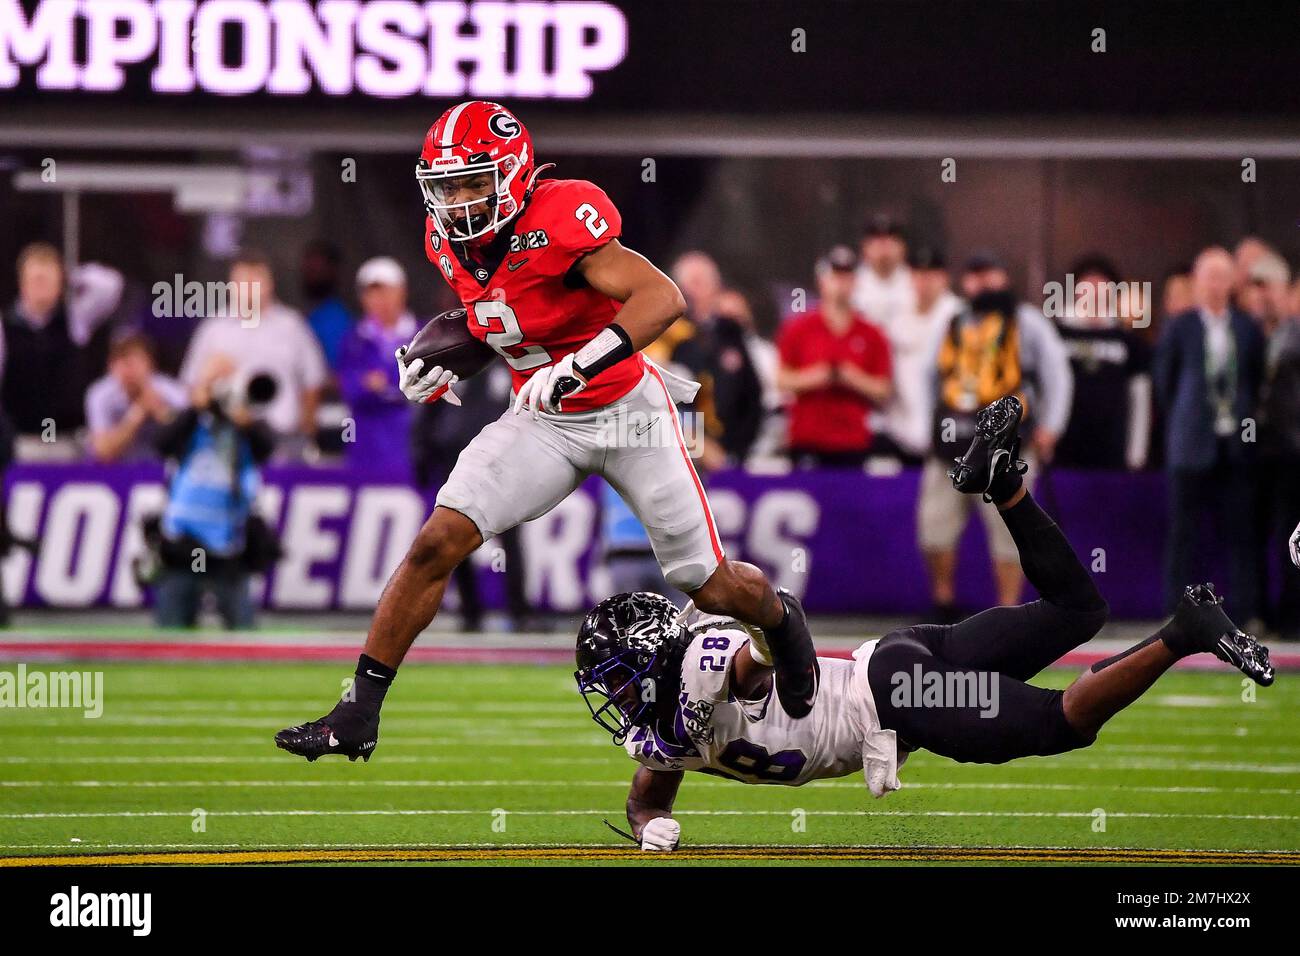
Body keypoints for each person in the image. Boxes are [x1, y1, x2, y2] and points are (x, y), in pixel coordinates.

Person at [275, 101, 820, 763]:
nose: (458, 201)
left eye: (473, 182)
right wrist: (435, 357)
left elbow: (661, 298)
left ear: (512, 172)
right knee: (437, 540)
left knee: (708, 583)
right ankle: (358, 711)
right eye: (446, 186)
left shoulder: (562, 215)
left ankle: (779, 623)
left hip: (628, 411)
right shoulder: (445, 241)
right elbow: (497, 322)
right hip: (546, 421)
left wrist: (580, 363)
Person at [575, 397, 1275, 852]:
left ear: (659, 661)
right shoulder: (663, 727)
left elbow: (774, 632)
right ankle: (1003, 483)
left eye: (621, 682)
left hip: (899, 698)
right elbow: (648, 789)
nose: (620, 700)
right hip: (898, 662)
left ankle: (1185, 629)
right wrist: (649, 829)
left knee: (1060, 725)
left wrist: (785, 673)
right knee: (1078, 612)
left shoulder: (707, 663)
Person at [916, 252, 1072, 617]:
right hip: (952, 443)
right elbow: (930, 375)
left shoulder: (1027, 321)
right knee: (934, 528)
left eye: (989, 275)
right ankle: (944, 604)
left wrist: (1052, 426)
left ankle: (1008, 610)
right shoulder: (952, 321)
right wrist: (929, 426)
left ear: (1004, 277)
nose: (982, 284)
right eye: (974, 276)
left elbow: (1056, 374)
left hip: (1008, 443)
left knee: (1009, 530)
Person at [1154, 246, 1266, 624]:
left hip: (1237, 445)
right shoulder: (1180, 326)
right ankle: (1177, 612)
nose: (1215, 284)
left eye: (1222, 276)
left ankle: (1246, 613)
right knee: (1183, 533)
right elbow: (1164, 384)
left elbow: (1255, 377)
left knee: (1241, 532)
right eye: (1208, 276)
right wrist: (1187, 422)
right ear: (1196, 282)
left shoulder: (1247, 327)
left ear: (1233, 281)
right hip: (1191, 445)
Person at [149, 355, 278, 629]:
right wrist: (196, 407)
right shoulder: (191, 422)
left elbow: (266, 448)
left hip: (228, 542)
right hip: (182, 540)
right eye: (215, 381)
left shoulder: (245, 424)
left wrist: (243, 420)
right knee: (169, 633)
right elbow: (162, 444)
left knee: (244, 634)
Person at [180, 249, 328, 459]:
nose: (249, 288)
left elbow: (313, 381)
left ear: (270, 284)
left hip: (283, 438)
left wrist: (306, 432)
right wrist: (209, 378)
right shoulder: (213, 330)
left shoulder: (292, 326)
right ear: (231, 286)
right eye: (242, 281)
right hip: (226, 439)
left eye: (255, 279)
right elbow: (191, 386)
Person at [776, 245, 893, 468]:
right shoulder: (798, 328)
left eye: (847, 277)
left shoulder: (872, 333)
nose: (841, 284)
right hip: (808, 439)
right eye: (835, 276)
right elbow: (781, 379)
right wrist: (819, 376)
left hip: (852, 441)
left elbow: (883, 390)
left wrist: (850, 377)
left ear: (856, 282)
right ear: (822, 280)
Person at [2, 243, 122, 438]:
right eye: (36, 279)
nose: (42, 286)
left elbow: (110, 285)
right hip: (20, 440)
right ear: (22, 283)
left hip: (67, 438)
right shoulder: (5, 327)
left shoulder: (75, 319)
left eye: (48, 279)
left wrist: (71, 275)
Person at [1052, 255, 1152, 471]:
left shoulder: (1128, 341)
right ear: (1075, 290)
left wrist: (1137, 450)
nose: (1094, 292)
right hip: (1063, 449)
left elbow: (1140, 397)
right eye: (1088, 285)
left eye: (1101, 285)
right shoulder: (1055, 334)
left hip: (1111, 450)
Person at [873, 246, 962, 465]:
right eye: (918, 274)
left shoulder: (959, 317)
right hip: (900, 432)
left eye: (931, 275)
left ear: (944, 278)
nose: (924, 282)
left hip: (949, 432)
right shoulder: (896, 317)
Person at [336, 257, 418, 476]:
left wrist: (385, 383)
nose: (381, 299)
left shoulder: (424, 334)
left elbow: (425, 391)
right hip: (365, 447)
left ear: (403, 291)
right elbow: (350, 389)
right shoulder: (353, 339)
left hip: (414, 445)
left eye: (387, 291)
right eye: (373, 292)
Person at [84, 331, 188, 463]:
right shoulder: (100, 394)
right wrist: (138, 413)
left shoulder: (166, 389)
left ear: (150, 364)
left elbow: (188, 431)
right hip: (115, 471)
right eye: (121, 360)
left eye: (134, 361)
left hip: (160, 466)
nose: (128, 370)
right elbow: (102, 451)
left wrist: (161, 411)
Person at [851, 213, 914, 328]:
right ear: (864, 248)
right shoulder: (851, 284)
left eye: (891, 240)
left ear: (903, 247)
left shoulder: (917, 282)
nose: (884, 247)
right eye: (877, 240)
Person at [300, 240, 352, 371]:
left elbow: (337, 373)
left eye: (318, 270)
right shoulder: (305, 314)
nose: (312, 276)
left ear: (332, 272)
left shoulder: (337, 318)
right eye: (309, 270)